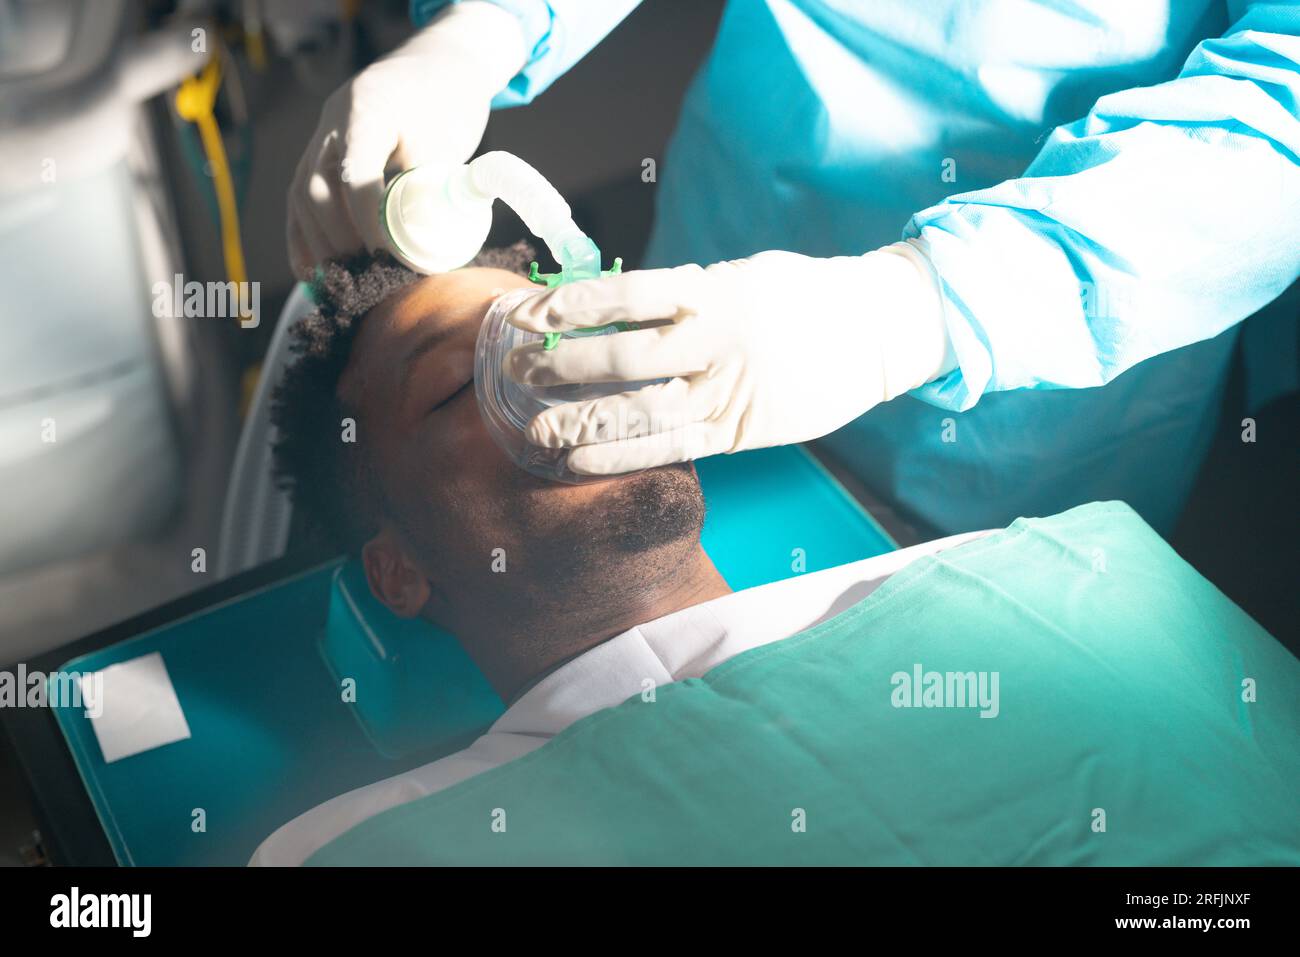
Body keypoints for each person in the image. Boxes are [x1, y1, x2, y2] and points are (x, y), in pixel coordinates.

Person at [250, 246, 1299, 866]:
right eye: (451, 386)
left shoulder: (1070, 584)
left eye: (554, 335)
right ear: (395, 572)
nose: (553, 381)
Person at [286, 0, 1300, 537]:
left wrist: (916, 308)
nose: (537, 369)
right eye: (464, 381)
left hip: (1030, 399)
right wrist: (488, 26)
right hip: (741, 206)